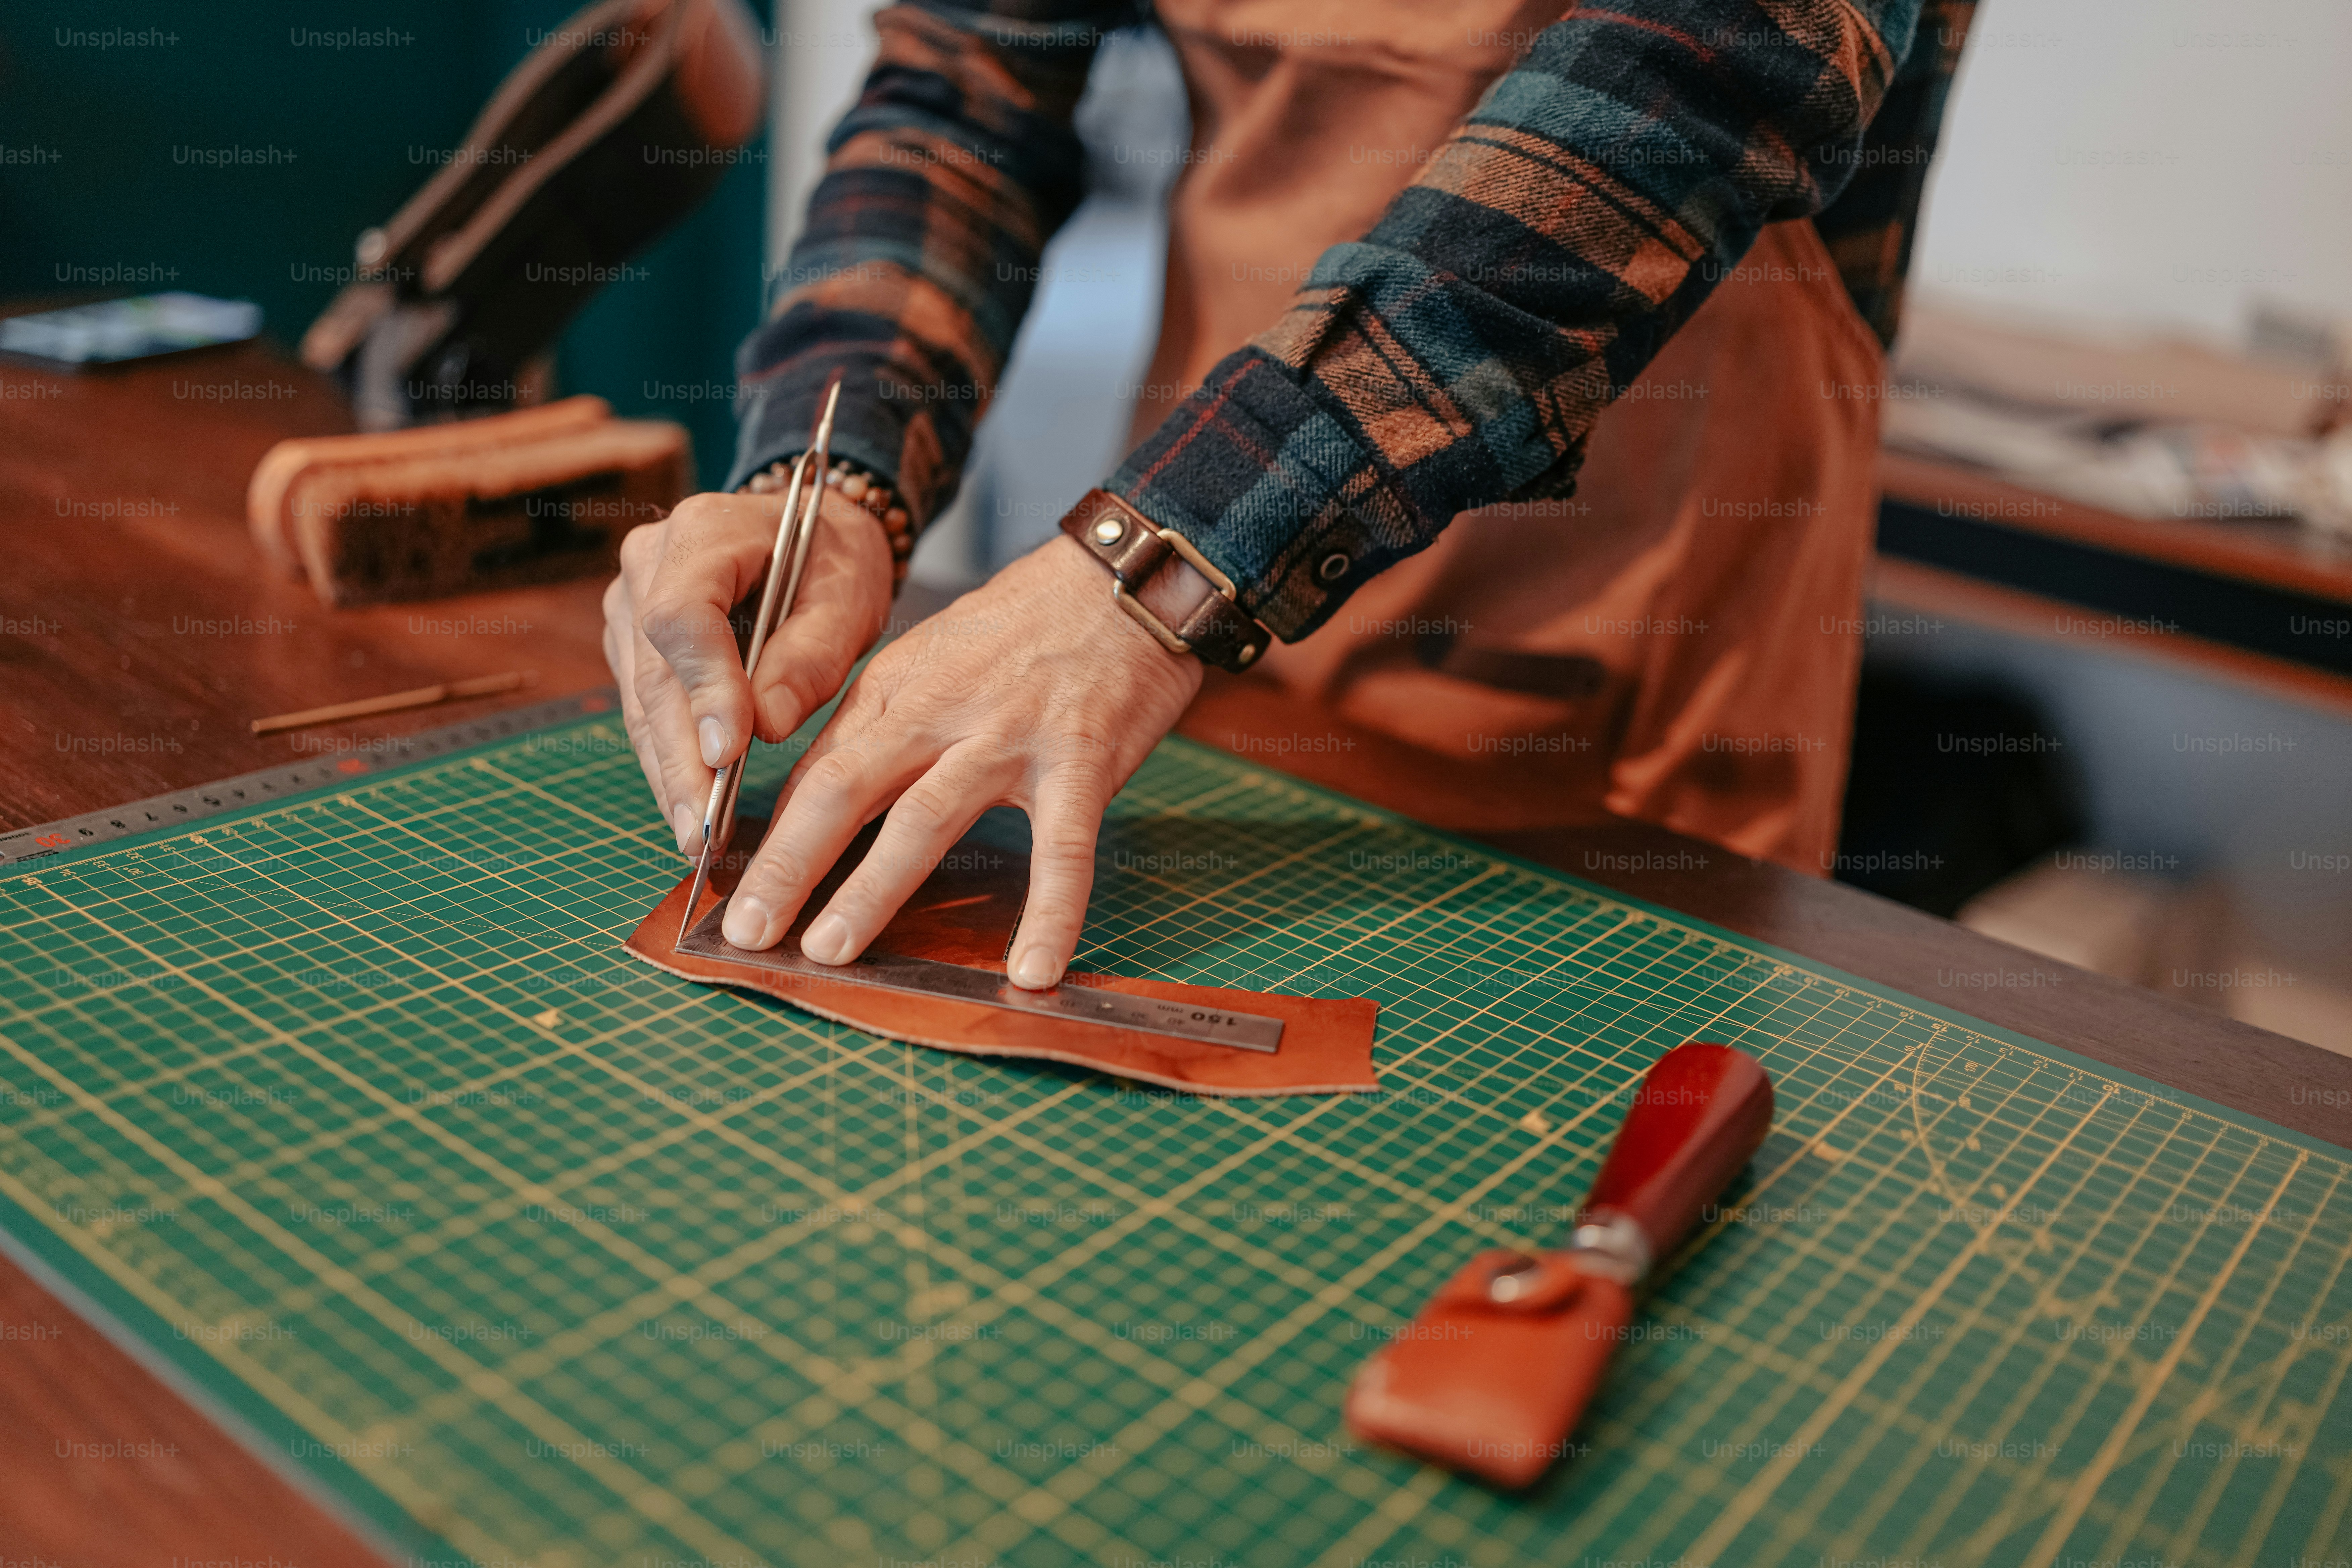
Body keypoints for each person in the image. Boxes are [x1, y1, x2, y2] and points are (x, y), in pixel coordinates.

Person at [603, 0, 1975, 990]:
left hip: (1629, 677)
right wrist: (832, 476)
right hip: (1211, 650)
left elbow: (1714, 59)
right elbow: (965, 90)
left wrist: (1161, 561)